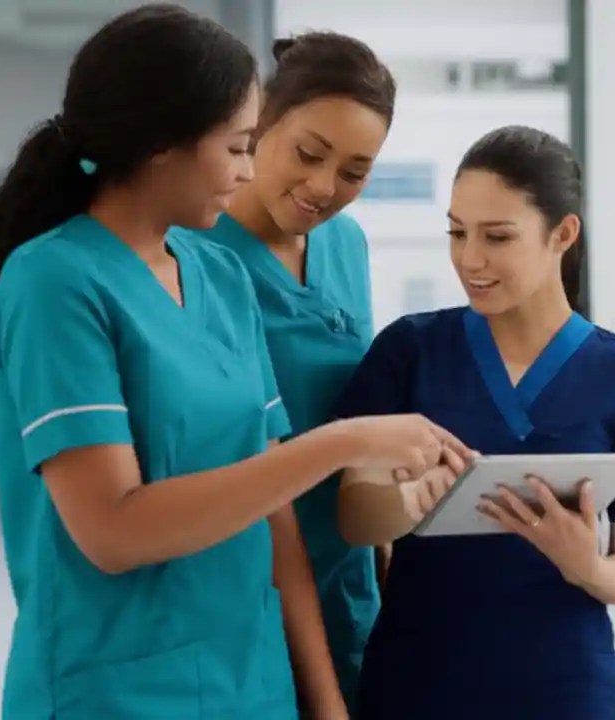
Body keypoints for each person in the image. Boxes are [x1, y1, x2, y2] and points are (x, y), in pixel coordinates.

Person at [0, 6, 469, 718]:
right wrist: (342, 443)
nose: (247, 171)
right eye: (237, 147)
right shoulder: (55, 284)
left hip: (252, 682)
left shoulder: (218, 276)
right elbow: (113, 531)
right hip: (112, 689)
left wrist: (323, 702)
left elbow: (276, 516)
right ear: (162, 141)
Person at [332, 125, 615, 720]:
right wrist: (408, 500)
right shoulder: (408, 352)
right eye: (457, 233)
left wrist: (589, 567)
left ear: (563, 234)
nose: (469, 259)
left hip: (564, 686)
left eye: (497, 237)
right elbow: (353, 518)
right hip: (421, 681)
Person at [179, 31, 395, 715]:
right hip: (243, 590)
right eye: (308, 154)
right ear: (259, 124)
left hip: (348, 583)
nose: (324, 188)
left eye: (355, 173)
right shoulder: (191, 256)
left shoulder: (346, 245)